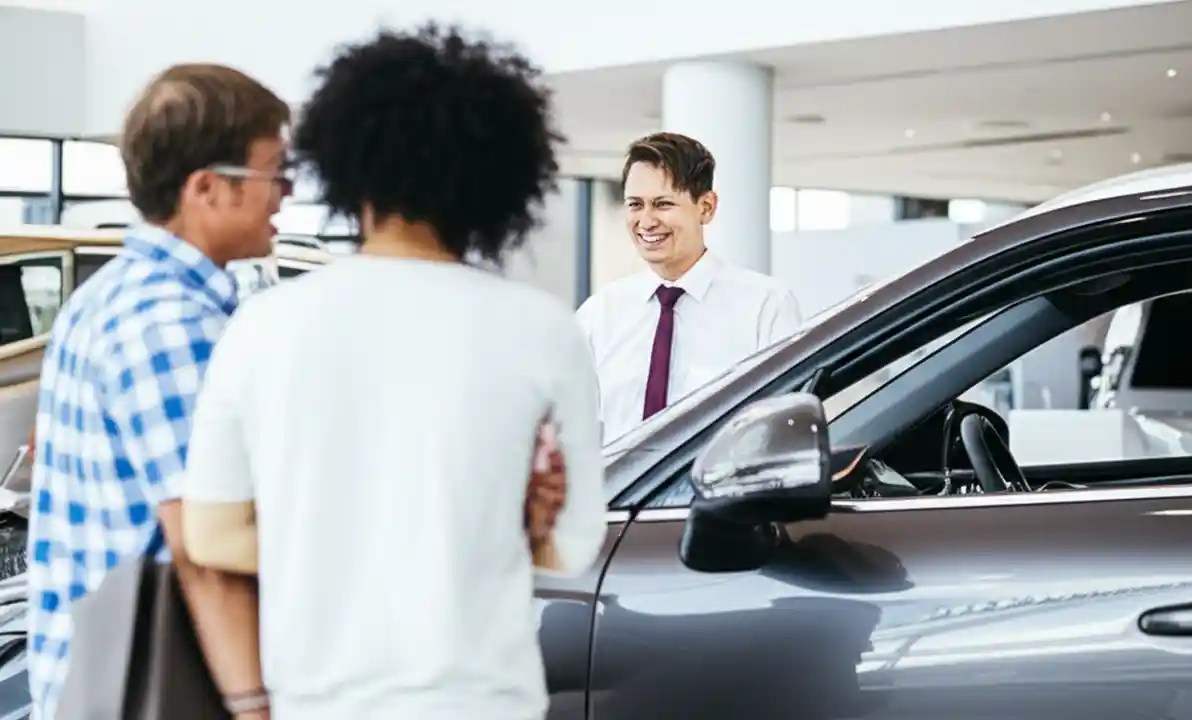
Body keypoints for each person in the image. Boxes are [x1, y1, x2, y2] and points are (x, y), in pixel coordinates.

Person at [178, 23, 606, 720]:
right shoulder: (543, 330)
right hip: (484, 698)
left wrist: (338, 532)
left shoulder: (265, 325)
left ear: (348, 166)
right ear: (496, 179)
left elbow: (212, 536)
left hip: (321, 697)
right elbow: (574, 546)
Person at [25, 63, 293, 720]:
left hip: (102, 675)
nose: (285, 194)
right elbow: (205, 549)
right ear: (206, 187)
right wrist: (255, 706)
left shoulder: (105, 298)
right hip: (163, 684)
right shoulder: (172, 325)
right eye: (274, 173)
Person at [577, 132, 804, 444]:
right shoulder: (598, 315)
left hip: (726, 491)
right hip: (620, 492)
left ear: (706, 207)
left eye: (663, 204)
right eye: (635, 205)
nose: (646, 221)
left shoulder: (765, 306)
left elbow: (782, 431)